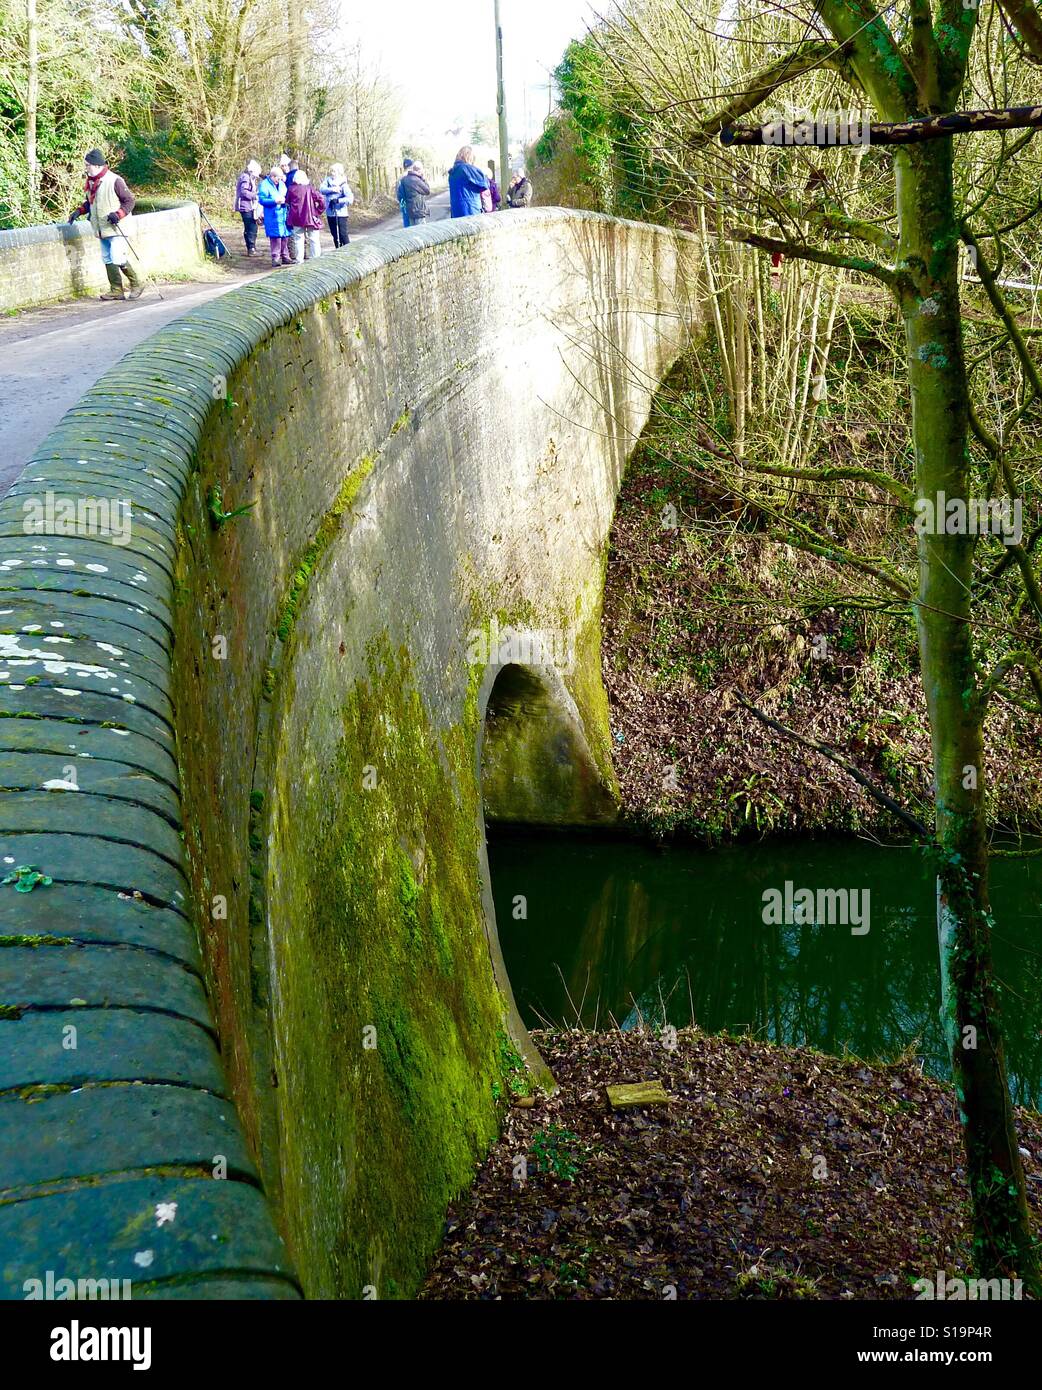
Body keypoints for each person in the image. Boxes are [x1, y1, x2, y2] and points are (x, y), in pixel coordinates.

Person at [67, 148, 143, 301]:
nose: (86, 167)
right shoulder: (91, 183)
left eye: (87, 165)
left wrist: (118, 214)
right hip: (102, 228)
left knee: (118, 257)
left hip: (117, 226)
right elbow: (91, 203)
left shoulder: (114, 180)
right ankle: (116, 290)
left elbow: (130, 201)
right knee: (107, 258)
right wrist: (79, 211)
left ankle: (136, 284)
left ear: (96, 165)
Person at [286, 170, 325, 262]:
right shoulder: (310, 188)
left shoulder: (291, 189)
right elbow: (321, 200)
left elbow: (287, 201)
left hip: (296, 218)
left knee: (298, 239)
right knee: (314, 239)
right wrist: (318, 211)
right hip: (310, 217)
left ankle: (299, 260)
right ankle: (316, 260)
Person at [258, 163, 292, 267]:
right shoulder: (264, 185)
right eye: (278, 178)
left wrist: (286, 201)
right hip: (272, 214)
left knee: (285, 236)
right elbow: (262, 199)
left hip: (283, 213)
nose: (279, 180)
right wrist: (274, 201)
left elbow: (286, 195)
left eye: (281, 178)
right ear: (272, 176)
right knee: (275, 237)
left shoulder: (281, 184)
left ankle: (285, 256)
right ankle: (275, 258)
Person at [448, 146, 489, 218]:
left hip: (456, 212)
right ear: (469, 156)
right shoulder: (466, 168)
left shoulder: (453, 172)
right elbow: (484, 184)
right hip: (470, 210)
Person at [320, 164, 354, 248]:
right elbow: (321, 190)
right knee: (335, 235)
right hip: (330, 212)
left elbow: (350, 198)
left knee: (343, 234)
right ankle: (338, 251)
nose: (332, 173)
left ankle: (348, 252)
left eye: (334, 171)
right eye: (331, 171)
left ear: (339, 172)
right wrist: (332, 189)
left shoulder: (343, 184)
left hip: (341, 213)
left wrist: (339, 200)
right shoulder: (327, 181)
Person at [234, 159, 263, 255]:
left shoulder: (247, 177)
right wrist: (255, 195)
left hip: (247, 205)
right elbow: (244, 192)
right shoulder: (246, 178)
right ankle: (251, 249)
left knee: (250, 227)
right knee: (251, 227)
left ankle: (251, 248)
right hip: (245, 206)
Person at [397, 157, 416, 227]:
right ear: (411, 166)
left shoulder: (400, 177)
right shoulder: (409, 176)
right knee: (410, 221)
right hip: (409, 202)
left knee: (406, 220)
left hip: (403, 202)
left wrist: (401, 201)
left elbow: (398, 192)